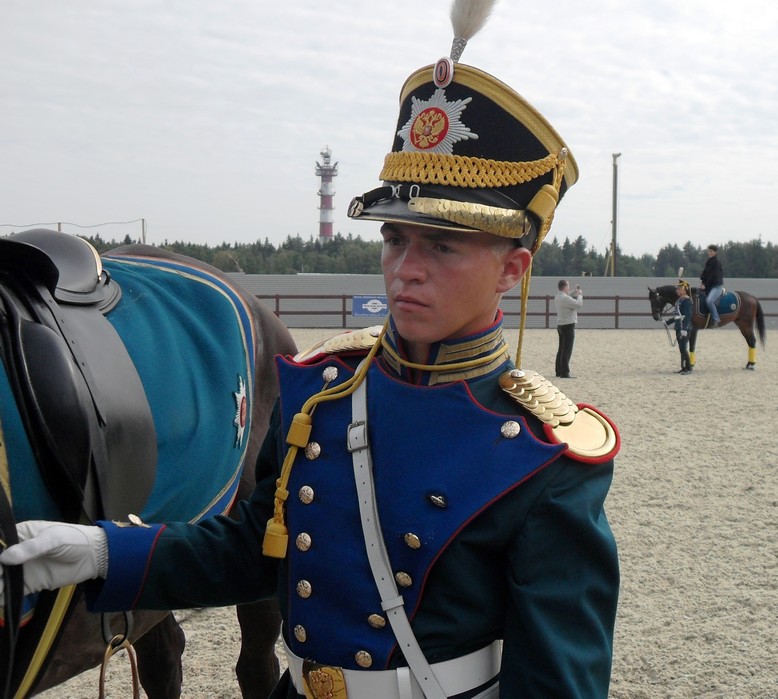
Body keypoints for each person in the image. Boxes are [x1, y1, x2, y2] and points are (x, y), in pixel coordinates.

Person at [0, 3, 621, 696]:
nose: (405, 268)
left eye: (441, 245)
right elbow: (251, 548)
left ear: (512, 268)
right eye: (395, 239)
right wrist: (100, 549)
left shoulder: (543, 461)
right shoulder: (322, 394)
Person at [554, 279, 583, 378]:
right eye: (568, 286)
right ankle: (565, 372)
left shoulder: (558, 296)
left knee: (561, 349)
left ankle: (559, 370)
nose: (569, 288)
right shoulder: (564, 298)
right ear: (565, 287)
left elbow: (567, 297)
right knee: (567, 350)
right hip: (568, 325)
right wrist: (579, 295)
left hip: (561, 325)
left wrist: (574, 292)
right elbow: (578, 304)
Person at [666, 280, 693, 374]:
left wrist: (684, 329)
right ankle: (683, 367)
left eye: (679, 288)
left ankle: (689, 368)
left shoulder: (687, 301)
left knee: (683, 348)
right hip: (678, 326)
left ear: (684, 289)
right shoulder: (680, 300)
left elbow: (688, 315)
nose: (677, 290)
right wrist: (668, 322)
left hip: (684, 327)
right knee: (681, 349)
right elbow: (677, 315)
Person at [699, 244, 724, 327]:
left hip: (716, 286)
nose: (709, 253)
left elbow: (714, 276)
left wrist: (705, 285)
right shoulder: (708, 262)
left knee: (709, 301)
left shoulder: (716, 263)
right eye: (708, 251)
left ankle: (716, 319)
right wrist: (702, 282)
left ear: (715, 252)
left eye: (711, 251)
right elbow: (705, 274)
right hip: (708, 286)